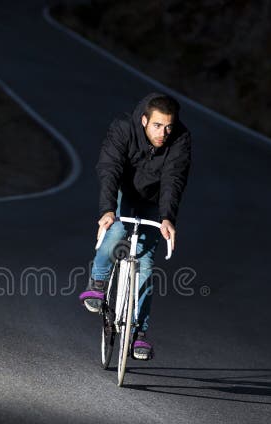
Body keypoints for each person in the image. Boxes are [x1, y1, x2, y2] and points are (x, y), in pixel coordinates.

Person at [78, 92, 192, 360]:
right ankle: (98, 280)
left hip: (154, 202)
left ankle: (139, 333)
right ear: (144, 120)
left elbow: (174, 180)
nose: (163, 132)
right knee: (117, 231)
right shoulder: (123, 128)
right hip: (124, 193)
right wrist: (107, 211)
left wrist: (167, 218)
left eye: (168, 126)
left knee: (146, 264)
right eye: (157, 125)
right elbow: (109, 168)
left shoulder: (181, 139)